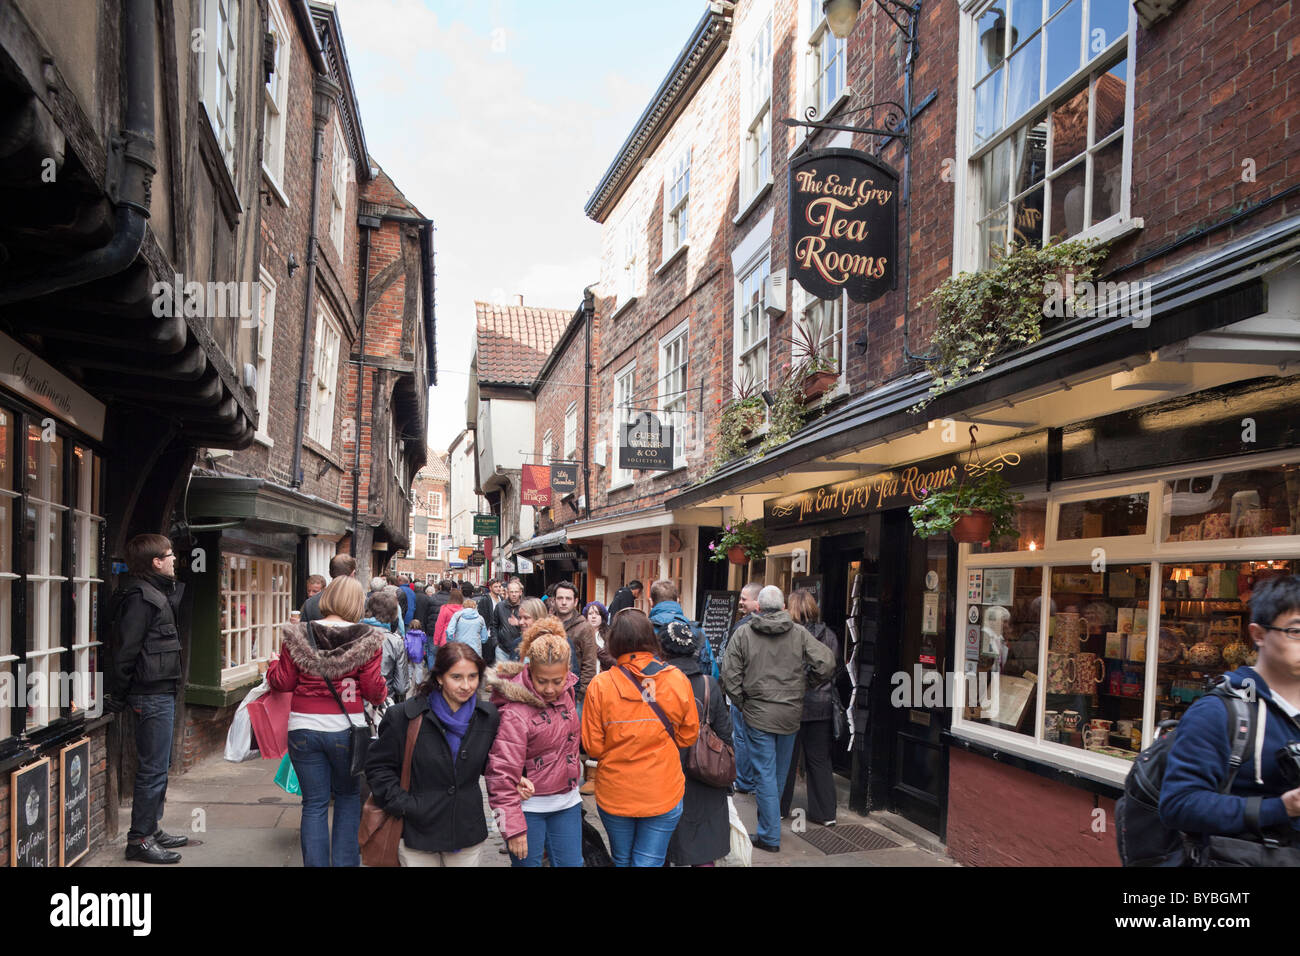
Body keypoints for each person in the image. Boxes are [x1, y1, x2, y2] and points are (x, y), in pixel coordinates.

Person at [1160, 575, 1300, 860]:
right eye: (1296, 632)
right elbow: (1179, 804)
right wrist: (1282, 808)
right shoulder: (1218, 712)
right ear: (1258, 634)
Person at [267, 575, 387, 867]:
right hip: (347, 730)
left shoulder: (299, 634)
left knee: (314, 804)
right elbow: (373, 690)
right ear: (358, 603)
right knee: (347, 799)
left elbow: (281, 683)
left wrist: (273, 664)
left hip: (303, 729)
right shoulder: (368, 639)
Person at [581, 609, 699, 867]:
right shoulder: (677, 680)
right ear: (650, 638)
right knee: (650, 861)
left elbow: (593, 747)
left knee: (622, 859)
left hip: (616, 791)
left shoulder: (600, 686)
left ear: (614, 642)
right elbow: (689, 735)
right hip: (663, 789)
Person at [365, 643, 501, 867]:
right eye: (456, 677)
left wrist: (518, 777)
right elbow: (378, 767)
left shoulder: (487, 717)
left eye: (473, 677)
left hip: (465, 829)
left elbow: (493, 764)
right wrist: (403, 805)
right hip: (416, 829)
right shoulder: (404, 716)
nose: (466, 685)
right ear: (439, 677)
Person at [722, 585, 835, 853]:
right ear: (783, 607)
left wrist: (743, 702)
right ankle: (769, 832)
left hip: (758, 714)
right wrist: (805, 685)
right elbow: (827, 663)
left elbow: (729, 676)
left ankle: (769, 836)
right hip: (789, 714)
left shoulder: (744, 633)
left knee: (765, 775)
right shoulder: (798, 633)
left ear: (759, 607)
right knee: (778, 775)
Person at [105, 534, 188, 863]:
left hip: (160, 691)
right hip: (149, 694)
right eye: (169, 556)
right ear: (156, 561)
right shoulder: (142, 597)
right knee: (152, 769)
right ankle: (139, 839)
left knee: (159, 767)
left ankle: (151, 828)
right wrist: (121, 694)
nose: (173, 561)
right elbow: (126, 651)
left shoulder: (155, 593)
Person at [485, 617, 584, 867]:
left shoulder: (568, 692)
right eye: (542, 681)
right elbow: (500, 774)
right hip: (528, 809)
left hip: (567, 801)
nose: (550, 689)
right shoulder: (515, 712)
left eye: (557, 681)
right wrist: (513, 829)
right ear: (529, 670)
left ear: (567, 674)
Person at [661, 622, 733, 867]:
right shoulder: (707, 684)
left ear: (663, 650)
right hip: (703, 774)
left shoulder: (655, 685)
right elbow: (725, 734)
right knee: (703, 850)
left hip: (665, 773)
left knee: (660, 847)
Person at [779, 589, 841, 827]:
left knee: (786, 760)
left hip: (793, 705)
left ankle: (781, 809)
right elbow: (833, 668)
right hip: (821, 706)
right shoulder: (831, 636)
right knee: (819, 760)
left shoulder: (788, 636)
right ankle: (826, 813)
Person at [725, 582, 763, 795]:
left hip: (743, 695)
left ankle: (745, 781)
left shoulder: (742, 628)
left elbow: (731, 666)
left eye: (744, 599)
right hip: (764, 697)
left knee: (741, 736)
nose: (740, 602)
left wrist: (735, 694)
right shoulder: (785, 629)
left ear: (757, 601)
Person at [648, 579, 715, 677]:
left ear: (651, 602)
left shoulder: (644, 631)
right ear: (678, 600)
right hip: (692, 689)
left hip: (653, 689)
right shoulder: (697, 631)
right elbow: (712, 671)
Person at [552, 581, 598, 708]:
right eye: (560, 598)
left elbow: (589, 663)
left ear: (575, 601)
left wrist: (580, 695)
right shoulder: (547, 623)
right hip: (549, 690)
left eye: (568, 598)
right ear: (554, 600)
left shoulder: (584, 627)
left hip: (574, 694)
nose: (564, 602)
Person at [362, 590, 409, 702]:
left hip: (357, 701)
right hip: (384, 700)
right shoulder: (395, 642)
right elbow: (401, 687)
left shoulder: (353, 633)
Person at [301, 553, 357, 624]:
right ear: (352, 573)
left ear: (330, 573)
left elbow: (303, 632)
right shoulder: (362, 603)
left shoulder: (310, 603)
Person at [446, 592, 491, 658]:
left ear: (463, 606)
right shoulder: (480, 618)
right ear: (475, 606)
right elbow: (484, 638)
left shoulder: (457, 615)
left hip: (460, 648)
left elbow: (449, 631)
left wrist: (451, 641)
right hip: (475, 649)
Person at [493, 578, 526, 662]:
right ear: (507, 592)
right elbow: (494, 625)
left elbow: (532, 625)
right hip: (502, 650)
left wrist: (518, 623)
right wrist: (496, 642)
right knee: (501, 674)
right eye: (511, 592)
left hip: (520, 649)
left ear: (520, 592)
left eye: (516, 592)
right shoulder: (500, 606)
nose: (514, 594)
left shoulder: (526, 606)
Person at [584, 600, 616, 672]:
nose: (593, 616)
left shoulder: (609, 635)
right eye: (590, 614)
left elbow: (614, 661)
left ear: (602, 617)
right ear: (586, 617)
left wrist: (595, 647)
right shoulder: (581, 635)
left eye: (597, 614)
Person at [405, 619, 430, 688]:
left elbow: (405, 645)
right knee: (419, 668)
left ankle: (409, 680)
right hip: (419, 654)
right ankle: (418, 682)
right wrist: (424, 635)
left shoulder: (407, 634)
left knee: (410, 667)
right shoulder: (421, 634)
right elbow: (425, 641)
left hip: (410, 654)